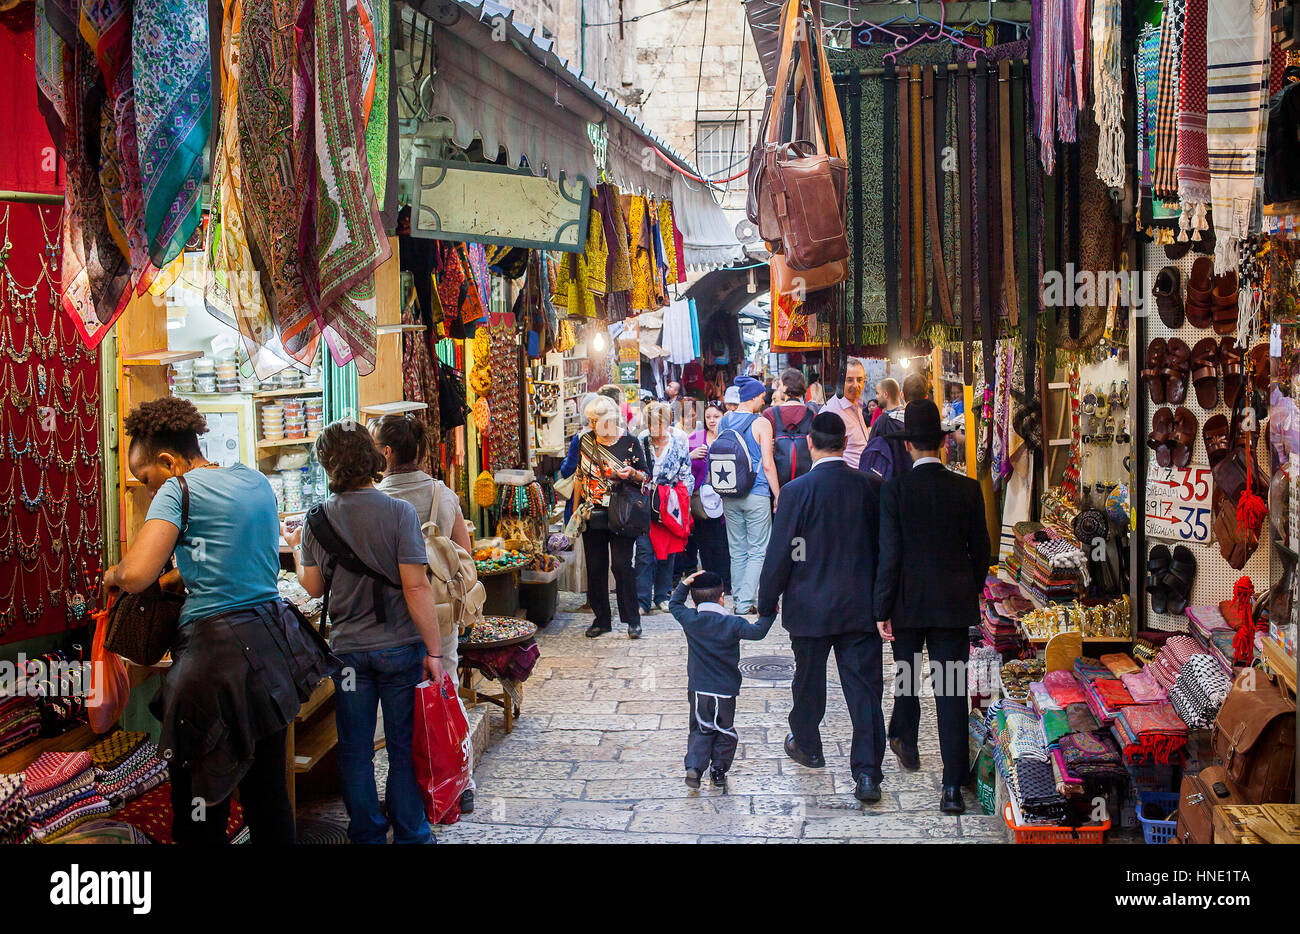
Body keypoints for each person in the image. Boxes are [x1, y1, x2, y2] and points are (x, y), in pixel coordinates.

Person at [103, 397, 334, 844]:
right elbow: (235, 562)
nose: (151, 490)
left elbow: (135, 574)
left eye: (148, 479)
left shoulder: (179, 489)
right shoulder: (253, 479)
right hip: (272, 651)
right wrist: (179, 577)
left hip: (213, 668)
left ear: (168, 461)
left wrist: (113, 574)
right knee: (268, 799)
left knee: (200, 809)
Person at [285, 421, 447, 844]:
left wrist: (298, 547)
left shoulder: (316, 518)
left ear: (327, 465)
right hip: (399, 648)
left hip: (349, 655)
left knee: (355, 750)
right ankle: (412, 832)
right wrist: (435, 650)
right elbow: (416, 586)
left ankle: (368, 834)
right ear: (371, 457)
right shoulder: (399, 513)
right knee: (401, 746)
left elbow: (315, 587)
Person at [756, 413, 886, 803]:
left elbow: (781, 552)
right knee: (864, 692)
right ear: (845, 443)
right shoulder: (871, 486)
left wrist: (767, 601)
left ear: (809, 444)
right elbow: (885, 549)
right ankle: (867, 775)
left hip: (809, 606)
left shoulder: (796, 491)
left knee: (808, 682)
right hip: (860, 608)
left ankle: (809, 746)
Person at [873, 399, 990, 815]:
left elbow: (889, 555)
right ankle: (953, 787)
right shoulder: (967, 488)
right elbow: (982, 552)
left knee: (907, 677)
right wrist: (969, 589)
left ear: (907, 447)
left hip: (907, 604)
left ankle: (905, 738)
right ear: (943, 443)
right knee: (951, 691)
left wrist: (882, 607)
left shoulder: (894, 490)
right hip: (952, 606)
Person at [371, 414, 477, 814]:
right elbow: (464, 554)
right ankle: (459, 783)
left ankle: (405, 788)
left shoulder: (375, 499)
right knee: (444, 690)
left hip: (391, 618)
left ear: (385, 452)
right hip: (439, 614)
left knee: (396, 705)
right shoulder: (443, 495)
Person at [669, 571, 774, 789]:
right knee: (725, 730)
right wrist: (769, 613)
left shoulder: (691, 620)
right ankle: (718, 770)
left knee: (701, 729)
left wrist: (684, 585)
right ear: (722, 597)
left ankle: (695, 768)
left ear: (694, 598)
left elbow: (674, 605)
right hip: (725, 691)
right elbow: (758, 632)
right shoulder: (733, 623)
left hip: (699, 690)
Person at [571, 395, 650, 639]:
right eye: (591, 421)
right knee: (595, 567)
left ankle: (632, 619)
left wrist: (632, 474)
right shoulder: (585, 441)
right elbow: (579, 477)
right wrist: (574, 513)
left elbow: (646, 476)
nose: (594, 426)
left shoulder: (630, 442)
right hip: (593, 512)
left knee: (622, 566)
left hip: (622, 512)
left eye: (598, 421)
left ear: (612, 419)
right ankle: (602, 619)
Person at [717, 375, 780, 615]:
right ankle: (744, 603)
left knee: (737, 549)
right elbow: (767, 464)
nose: (763, 402)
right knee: (757, 550)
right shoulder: (761, 423)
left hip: (730, 493)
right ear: (752, 397)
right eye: (761, 398)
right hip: (757, 493)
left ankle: (740, 601)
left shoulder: (724, 421)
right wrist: (778, 494)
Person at [635, 401, 694, 613]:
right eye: (651, 425)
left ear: (667, 423)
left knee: (668, 552)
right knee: (644, 552)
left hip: (669, 505)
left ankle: (663, 595)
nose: (655, 430)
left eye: (659, 425)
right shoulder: (641, 441)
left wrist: (683, 504)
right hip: (644, 503)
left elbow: (687, 476)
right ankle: (642, 600)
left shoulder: (678, 442)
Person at [679, 402, 731, 589]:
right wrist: (690, 455)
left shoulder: (730, 436)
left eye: (716, 416)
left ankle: (726, 581)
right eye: (708, 417)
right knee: (704, 541)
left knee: (723, 541)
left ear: (724, 416)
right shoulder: (695, 438)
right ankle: (711, 581)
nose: (711, 420)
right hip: (700, 499)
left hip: (726, 498)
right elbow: (680, 463)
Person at [822, 357, 871, 468]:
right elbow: (824, 457)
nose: (855, 385)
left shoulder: (857, 406)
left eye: (859, 380)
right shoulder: (831, 412)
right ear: (839, 381)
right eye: (849, 380)